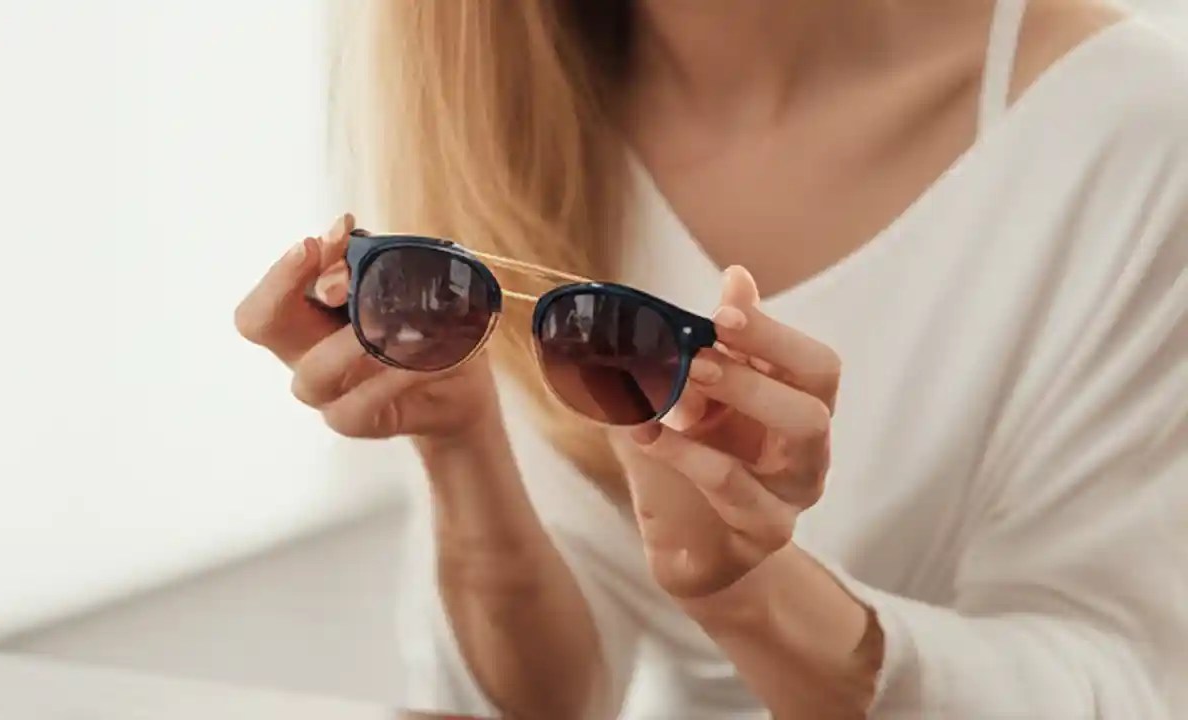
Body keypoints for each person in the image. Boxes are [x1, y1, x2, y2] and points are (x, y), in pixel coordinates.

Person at [235, 0, 1188, 717]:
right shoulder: (488, 110)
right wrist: (459, 449)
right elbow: (545, 699)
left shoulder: (1134, 133)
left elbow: (1123, 683)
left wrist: (754, 593)